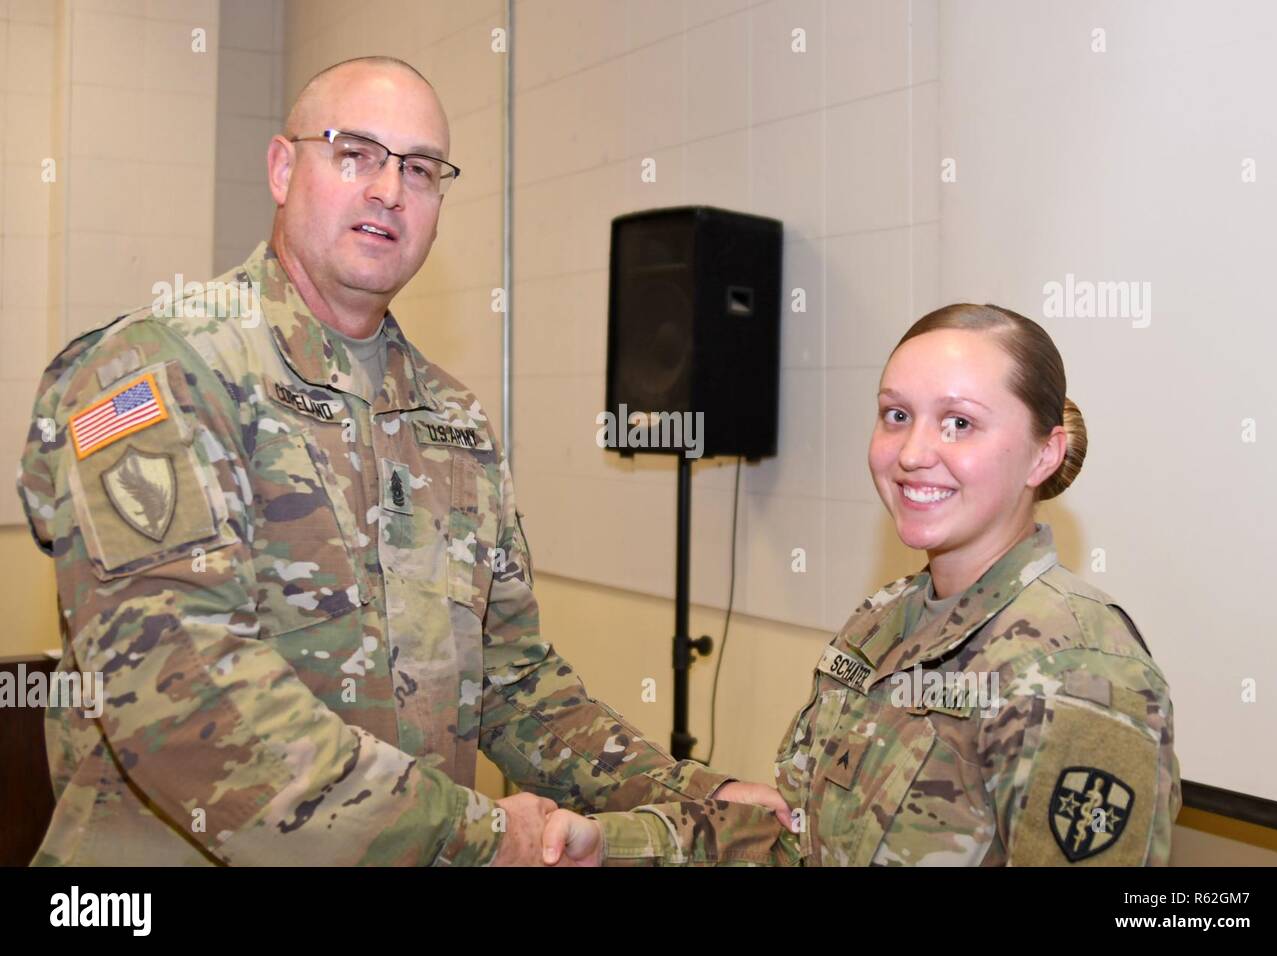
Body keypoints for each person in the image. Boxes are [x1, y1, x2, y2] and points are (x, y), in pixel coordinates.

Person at [16, 56, 786, 866]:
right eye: (355, 153)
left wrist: (684, 794)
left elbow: (512, 683)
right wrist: (478, 837)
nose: (389, 189)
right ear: (283, 168)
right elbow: (182, 699)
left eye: (420, 169)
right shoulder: (160, 369)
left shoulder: (451, 421)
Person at [544, 303, 1181, 866]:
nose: (912, 452)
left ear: (1045, 453)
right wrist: (614, 847)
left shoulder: (1079, 666)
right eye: (896, 415)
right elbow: (798, 841)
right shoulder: (885, 621)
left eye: (959, 422)